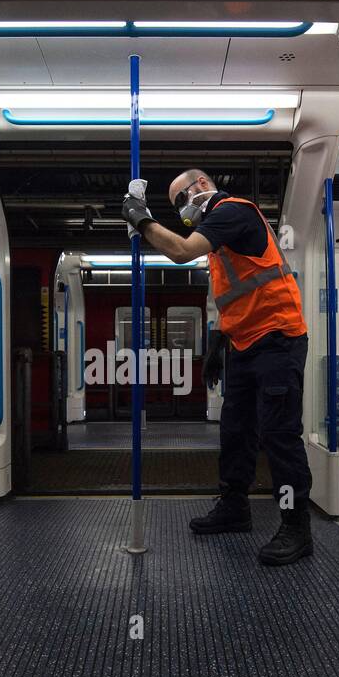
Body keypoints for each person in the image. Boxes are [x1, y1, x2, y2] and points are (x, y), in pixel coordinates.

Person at [121, 169, 313, 566]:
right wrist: (217, 341)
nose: (182, 211)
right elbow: (237, 295)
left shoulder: (233, 211)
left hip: (278, 337)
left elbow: (179, 250)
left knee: (279, 434)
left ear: (202, 188)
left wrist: (140, 216)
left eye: (180, 201)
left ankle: (296, 526)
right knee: (236, 430)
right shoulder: (219, 239)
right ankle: (234, 507)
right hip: (242, 342)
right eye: (175, 207)